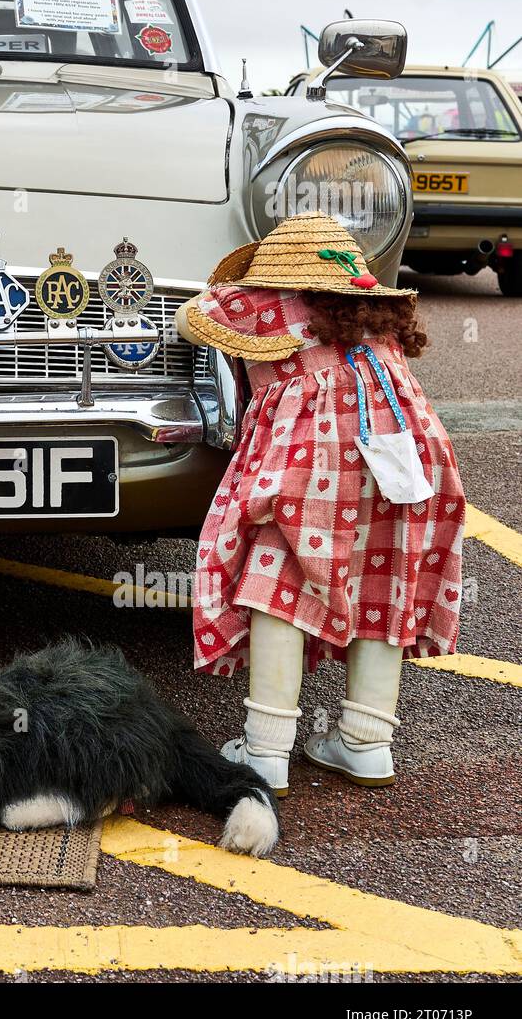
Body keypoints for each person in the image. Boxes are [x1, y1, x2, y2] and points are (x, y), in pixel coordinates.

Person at [175, 212, 464, 795]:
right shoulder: (375, 320)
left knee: (279, 575)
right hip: (407, 447)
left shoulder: (264, 306)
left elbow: (193, 313)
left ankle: (266, 753)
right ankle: (365, 744)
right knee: (385, 572)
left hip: (315, 450)